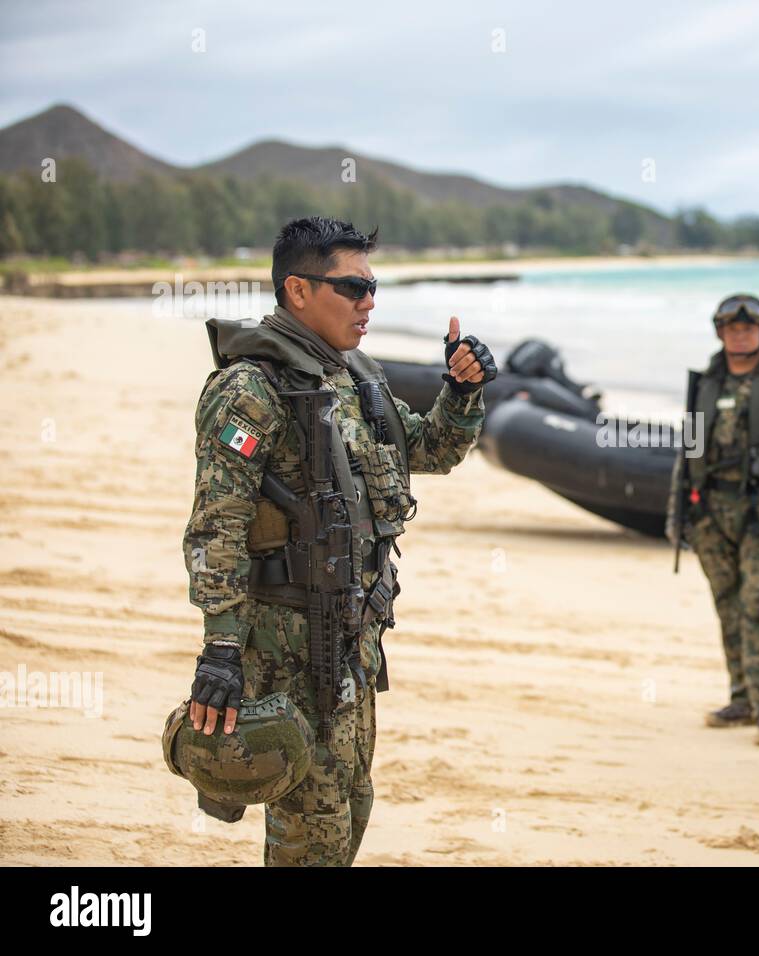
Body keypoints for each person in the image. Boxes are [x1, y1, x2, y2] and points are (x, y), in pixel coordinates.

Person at [182, 216, 493, 865]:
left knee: (349, 808)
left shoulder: (356, 377)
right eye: (352, 288)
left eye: (373, 287)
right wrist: (220, 648)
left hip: (355, 643)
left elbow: (428, 450)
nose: (369, 302)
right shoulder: (250, 389)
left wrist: (462, 392)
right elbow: (218, 528)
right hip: (290, 652)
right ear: (298, 290)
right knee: (309, 838)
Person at [668, 294, 759, 746]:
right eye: (732, 328)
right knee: (728, 606)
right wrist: (679, 511)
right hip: (712, 513)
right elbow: (688, 450)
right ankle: (742, 697)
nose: (741, 334)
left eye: (749, 328)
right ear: (721, 332)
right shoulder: (707, 382)